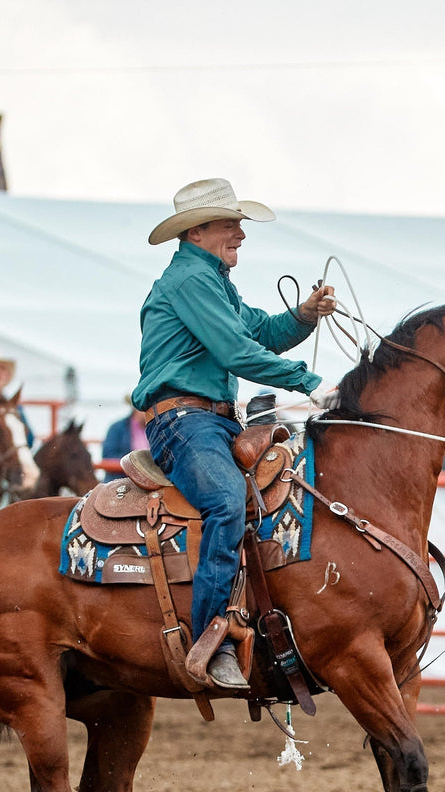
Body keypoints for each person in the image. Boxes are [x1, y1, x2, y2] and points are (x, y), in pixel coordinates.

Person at [132, 178, 338, 690]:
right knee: (226, 500)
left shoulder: (210, 280)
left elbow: (260, 331)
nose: (241, 234)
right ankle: (212, 637)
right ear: (198, 230)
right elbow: (236, 353)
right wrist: (310, 382)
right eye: (232, 224)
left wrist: (303, 317)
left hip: (213, 420)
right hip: (184, 422)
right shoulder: (190, 282)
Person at [101, 394, 150, 482]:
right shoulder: (117, 427)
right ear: (136, 408)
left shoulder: (154, 428)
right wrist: (138, 463)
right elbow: (108, 456)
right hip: (121, 480)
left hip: (148, 480)